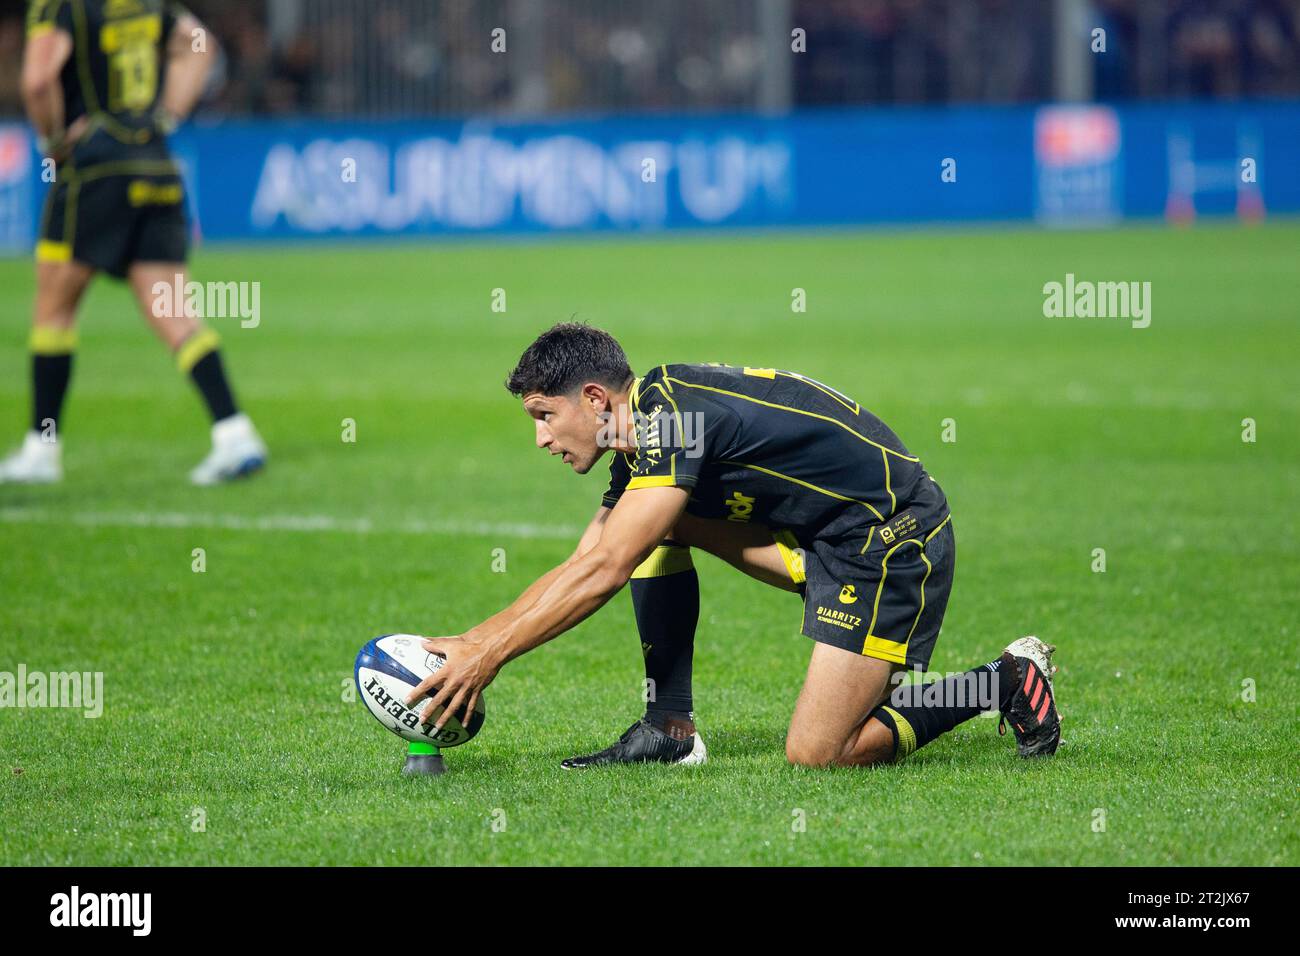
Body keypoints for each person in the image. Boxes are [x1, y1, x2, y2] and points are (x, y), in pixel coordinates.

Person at [408, 323, 1060, 768]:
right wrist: (475, 639)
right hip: (817, 539)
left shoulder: (674, 419)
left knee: (821, 753)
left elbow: (606, 570)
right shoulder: (643, 435)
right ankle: (669, 730)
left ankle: (998, 682)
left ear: (595, 398)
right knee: (648, 528)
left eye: (544, 416)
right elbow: (586, 561)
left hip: (889, 540)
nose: (542, 439)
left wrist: (490, 655)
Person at [2, 0, 266, 485]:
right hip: (156, 163)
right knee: (174, 310)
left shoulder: (60, 5)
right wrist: (163, 116)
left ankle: (42, 449)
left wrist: (54, 143)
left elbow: (38, 80)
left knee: (54, 308)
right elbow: (199, 43)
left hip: (96, 170)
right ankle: (234, 432)